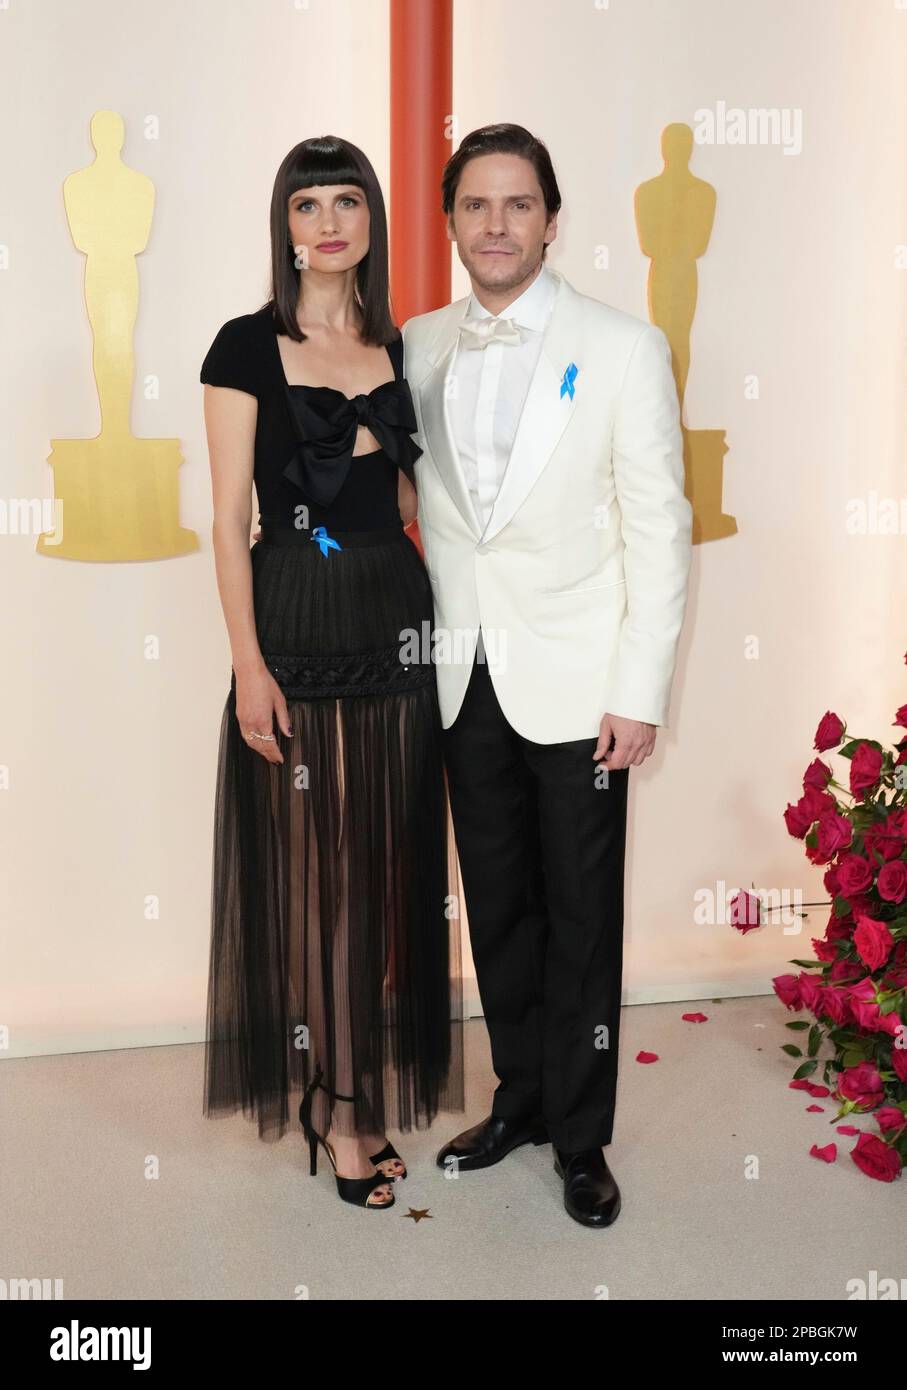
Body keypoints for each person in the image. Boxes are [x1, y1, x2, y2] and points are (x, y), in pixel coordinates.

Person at [402, 123, 693, 1227]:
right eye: (475, 205)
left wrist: (640, 688)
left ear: (552, 218)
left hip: (582, 686)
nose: (495, 224)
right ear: (451, 222)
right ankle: (519, 1098)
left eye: (517, 204)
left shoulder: (621, 347)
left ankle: (581, 1136)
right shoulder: (419, 344)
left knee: (582, 918)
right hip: (461, 670)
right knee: (500, 909)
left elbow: (658, 530)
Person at [200, 135, 464, 1212]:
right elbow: (224, 523)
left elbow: (406, 505)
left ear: (369, 221)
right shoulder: (242, 344)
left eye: (344, 201)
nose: (326, 223)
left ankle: (347, 1092)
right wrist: (246, 665)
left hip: (392, 623)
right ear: (285, 225)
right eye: (306, 205)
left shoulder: (402, 345)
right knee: (320, 874)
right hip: (294, 625)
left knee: (380, 872)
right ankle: (341, 1107)